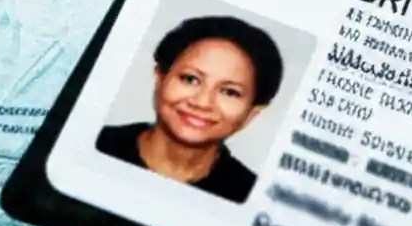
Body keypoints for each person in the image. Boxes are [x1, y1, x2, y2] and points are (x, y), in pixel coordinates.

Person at [97, 15, 284, 203]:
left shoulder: (252, 198)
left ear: (251, 114)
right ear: (160, 78)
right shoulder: (98, 143)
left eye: (229, 92)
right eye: (190, 79)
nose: (202, 102)